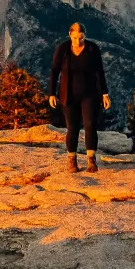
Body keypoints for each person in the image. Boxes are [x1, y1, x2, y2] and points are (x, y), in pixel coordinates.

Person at [48, 22, 111, 173]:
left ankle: (91, 160)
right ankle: (72, 159)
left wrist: (104, 93)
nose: (78, 41)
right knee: (72, 127)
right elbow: (54, 71)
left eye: (81, 38)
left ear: (85, 36)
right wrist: (51, 93)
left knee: (90, 125)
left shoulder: (92, 49)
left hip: (90, 94)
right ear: (70, 34)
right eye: (75, 38)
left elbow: (99, 72)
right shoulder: (63, 49)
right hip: (68, 95)